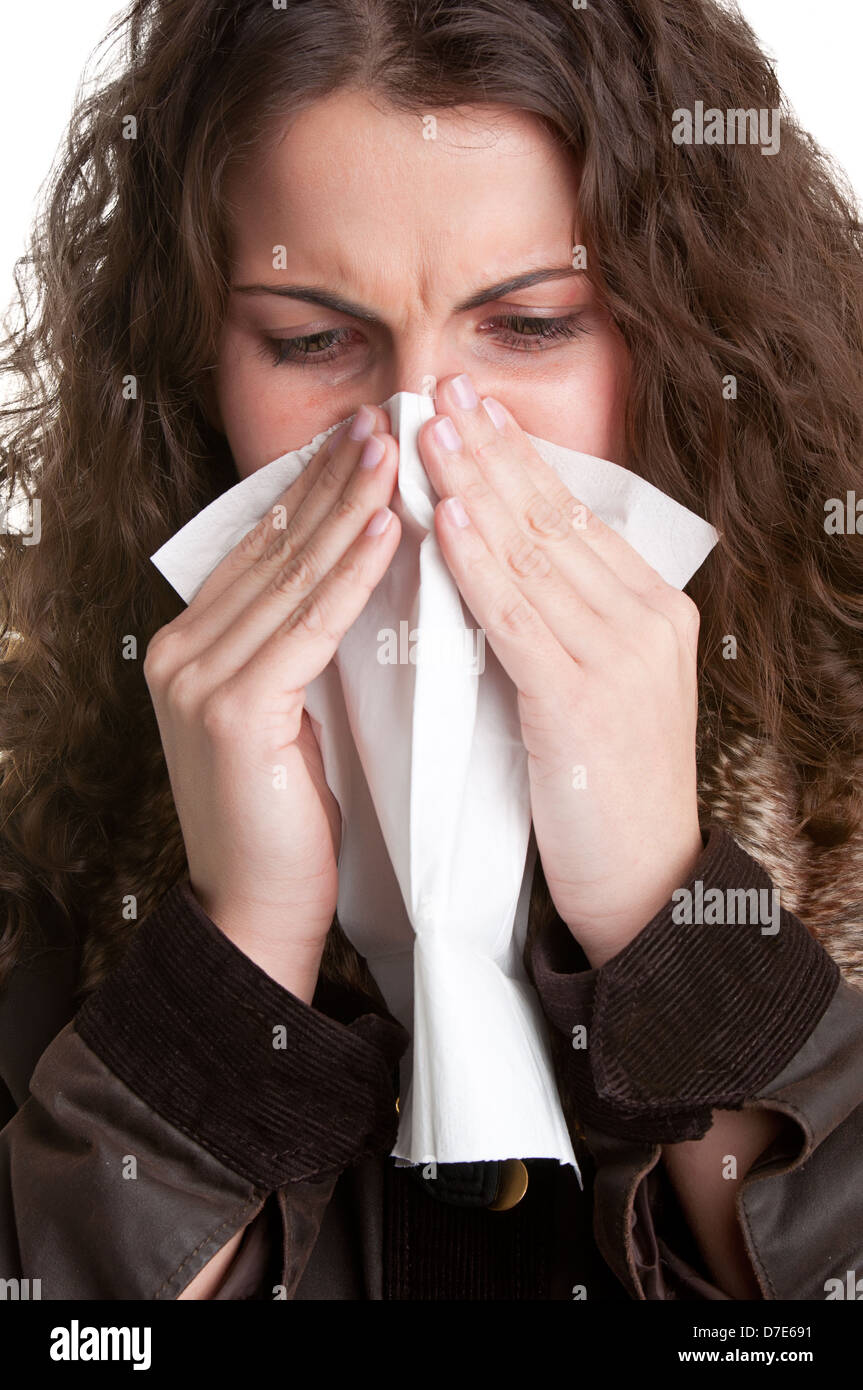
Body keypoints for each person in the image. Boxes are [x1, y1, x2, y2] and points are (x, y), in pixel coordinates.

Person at [1, 0, 862, 1302]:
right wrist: (234, 956)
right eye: (310, 339)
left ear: (683, 335)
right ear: (194, 365)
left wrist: (669, 912)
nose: (416, 451)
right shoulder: (30, 815)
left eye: (529, 325)